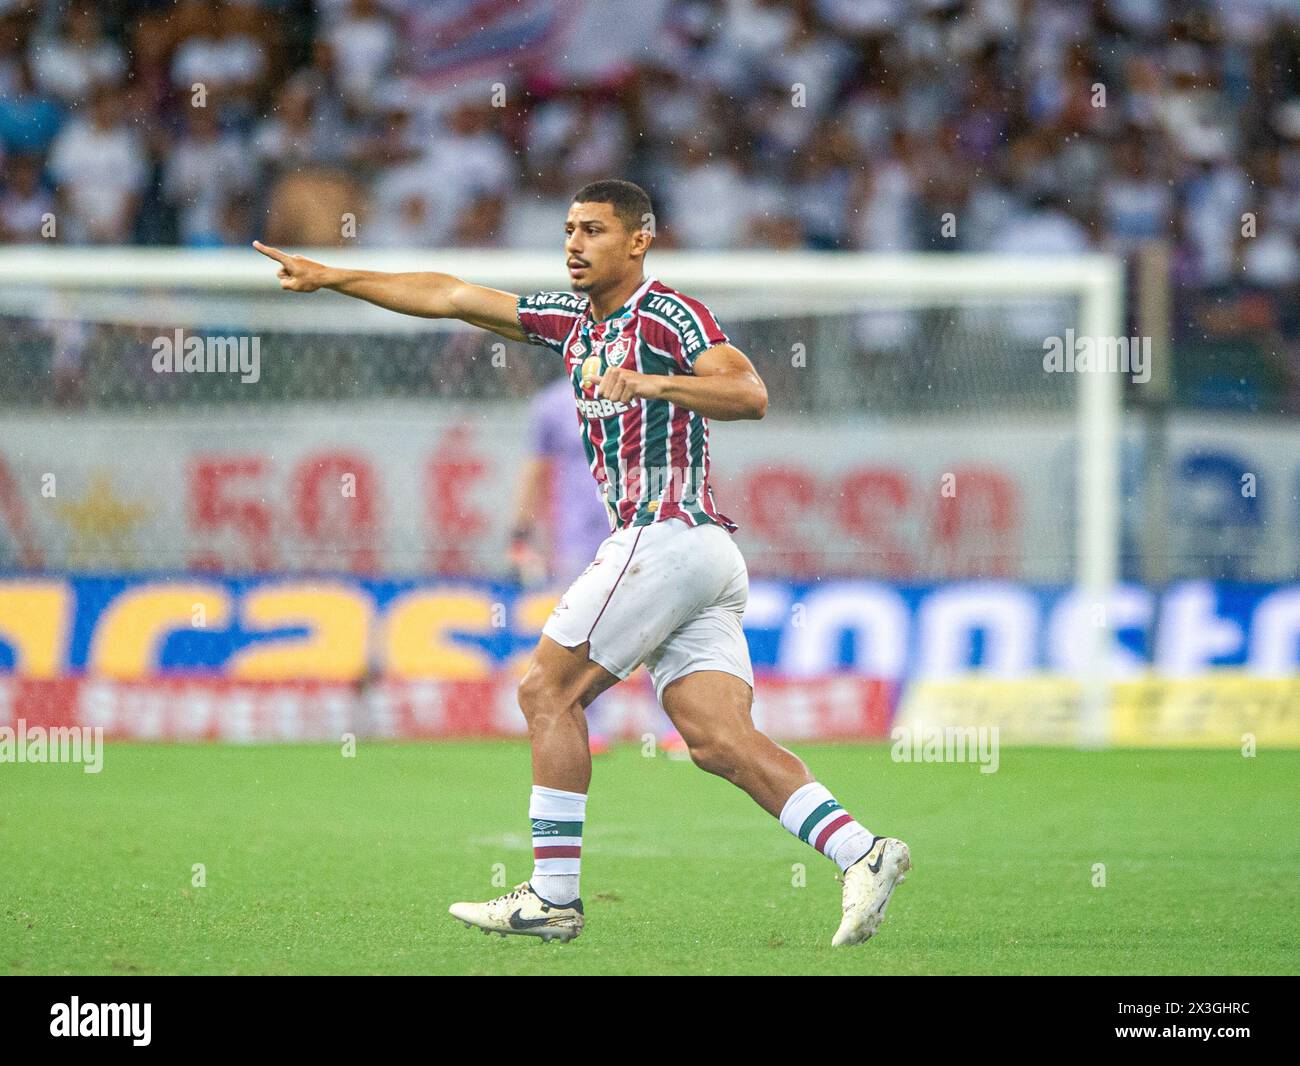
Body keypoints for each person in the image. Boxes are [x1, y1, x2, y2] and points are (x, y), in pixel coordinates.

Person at [252, 178, 910, 947]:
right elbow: (450, 295)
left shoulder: (670, 315)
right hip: (696, 557)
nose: (574, 243)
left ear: (638, 241)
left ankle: (553, 896)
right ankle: (862, 852)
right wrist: (336, 276)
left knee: (546, 691)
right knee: (717, 740)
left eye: (593, 229)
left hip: (664, 536)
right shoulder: (569, 321)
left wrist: (652, 381)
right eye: (569, 229)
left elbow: (749, 392)